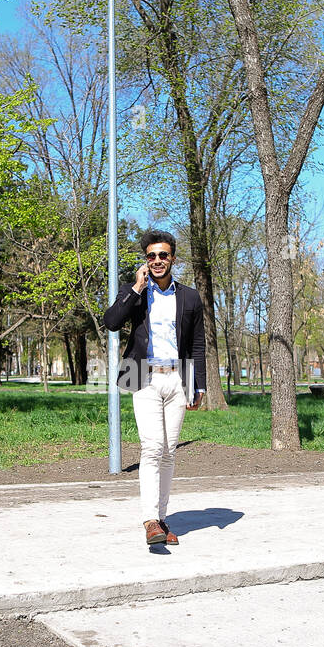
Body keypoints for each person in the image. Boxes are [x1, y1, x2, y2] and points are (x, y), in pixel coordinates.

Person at [103, 229, 206, 546]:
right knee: (152, 447)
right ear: (145, 260)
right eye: (151, 255)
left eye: (163, 254)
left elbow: (197, 345)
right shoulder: (136, 291)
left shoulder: (189, 296)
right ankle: (149, 520)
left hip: (177, 378)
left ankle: (161, 518)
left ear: (173, 257)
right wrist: (136, 287)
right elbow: (111, 321)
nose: (157, 260)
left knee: (169, 451)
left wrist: (197, 385)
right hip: (142, 376)